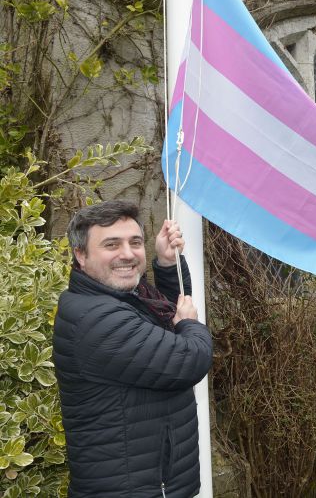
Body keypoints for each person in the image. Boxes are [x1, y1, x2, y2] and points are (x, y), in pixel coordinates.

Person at [53, 201, 213, 497]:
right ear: (81, 255)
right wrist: (191, 325)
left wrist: (166, 264)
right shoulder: (97, 319)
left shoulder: (122, 297)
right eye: (111, 244)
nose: (127, 254)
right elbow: (190, 359)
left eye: (135, 242)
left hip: (155, 483)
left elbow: (163, 317)